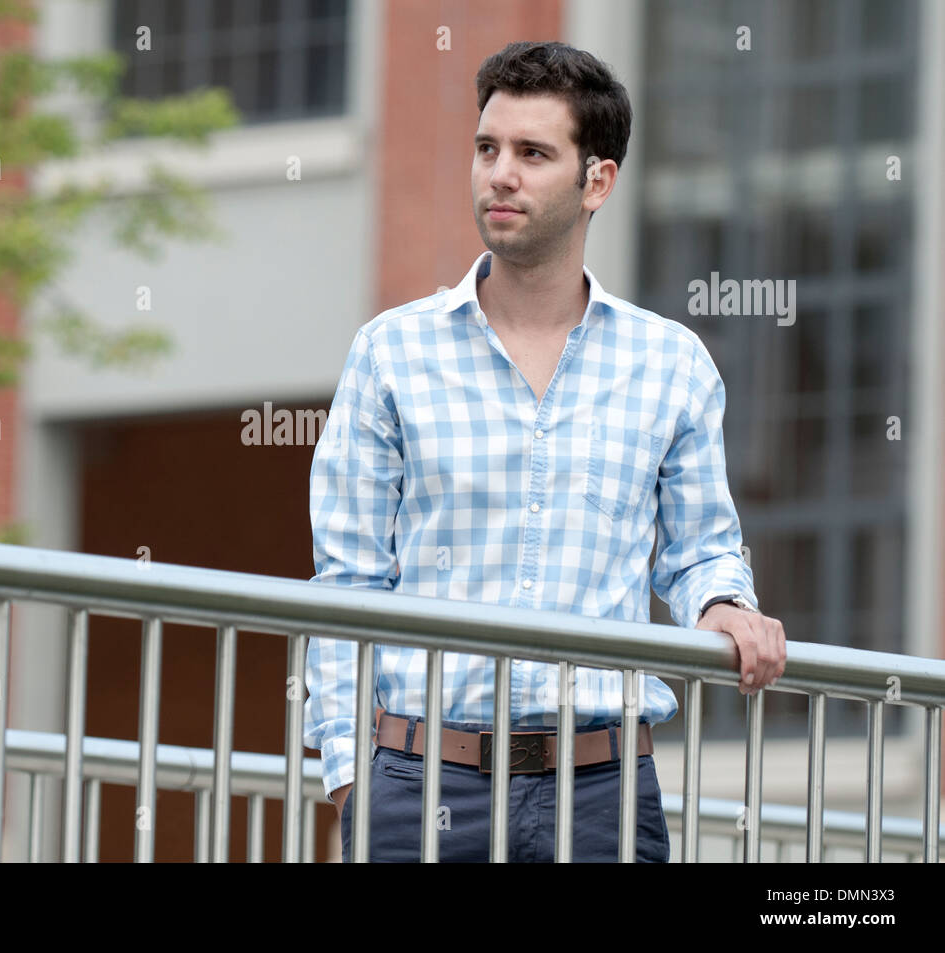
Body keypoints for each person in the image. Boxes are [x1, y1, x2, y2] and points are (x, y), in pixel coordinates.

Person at [303, 40, 787, 863]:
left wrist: (724, 605)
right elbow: (348, 583)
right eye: (487, 148)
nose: (500, 174)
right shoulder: (391, 353)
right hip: (421, 785)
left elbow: (702, 548)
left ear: (597, 180)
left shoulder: (670, 365)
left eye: (533, 154)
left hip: (599, 795)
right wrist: (356, 782)